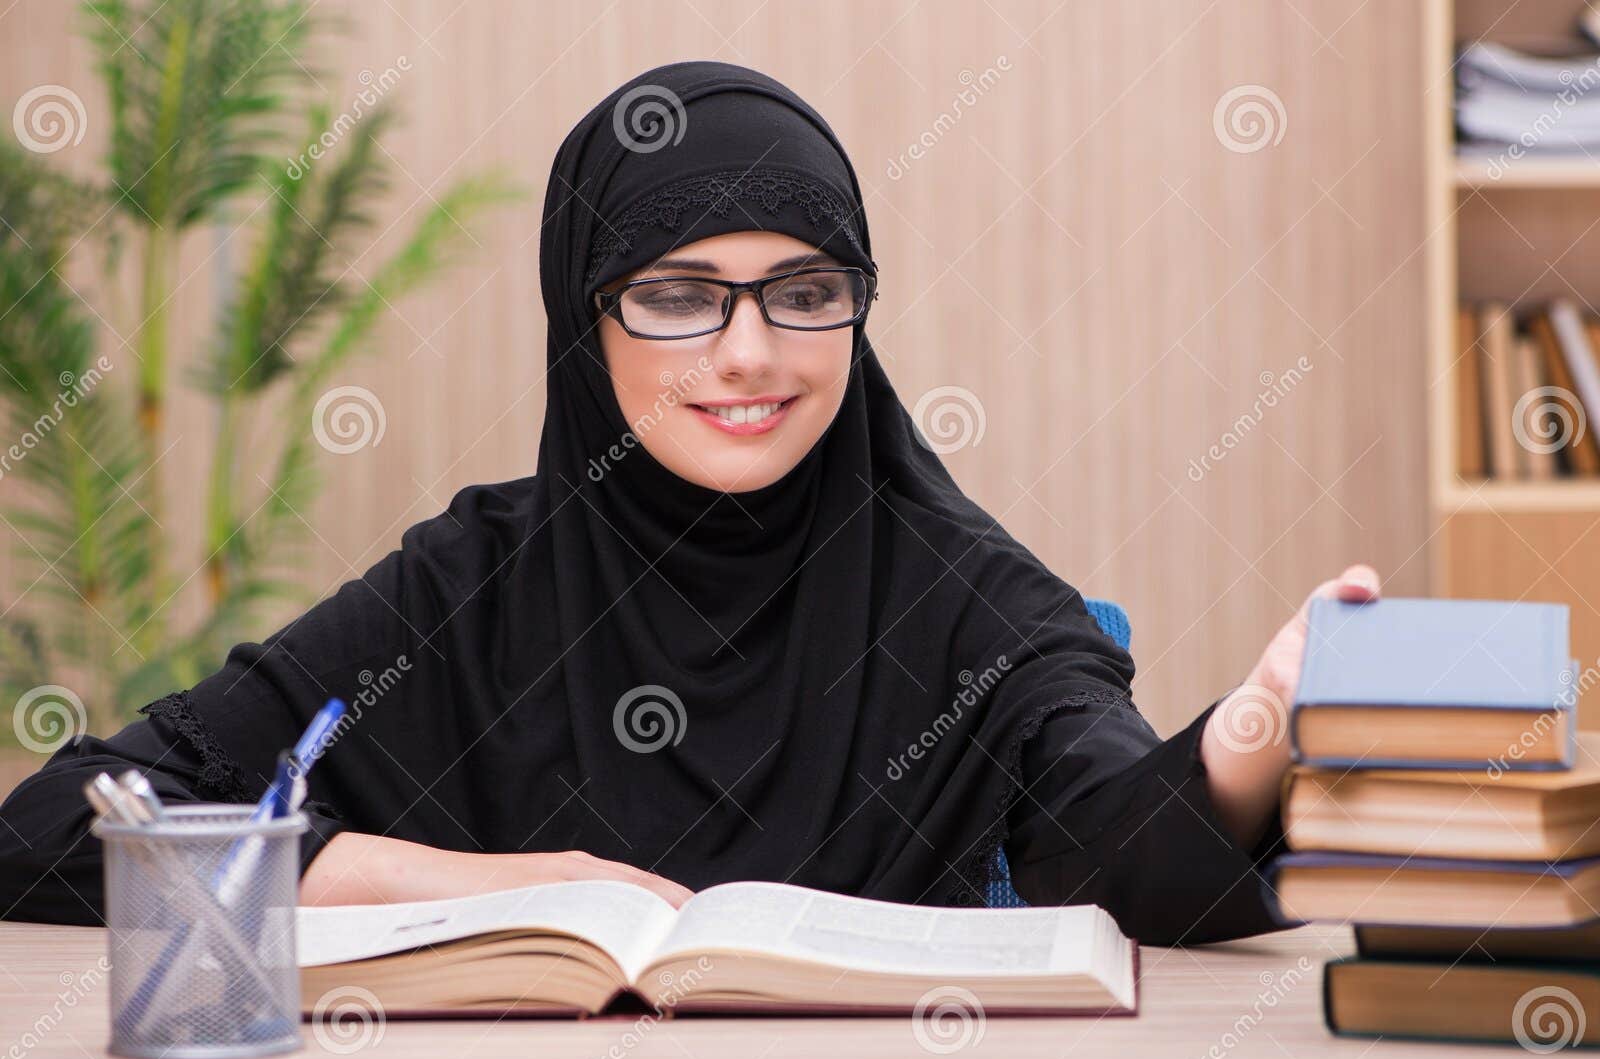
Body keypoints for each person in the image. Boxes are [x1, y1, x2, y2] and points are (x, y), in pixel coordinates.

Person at [0, 60, 1379, 944]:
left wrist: (1259, 720)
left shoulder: (966, 596)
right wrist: (429, 878)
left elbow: (1123, 853)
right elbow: (53, 827)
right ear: (583, 324)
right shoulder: (467, 588)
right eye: (675, 295)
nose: (749, 352)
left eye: (805, 291)